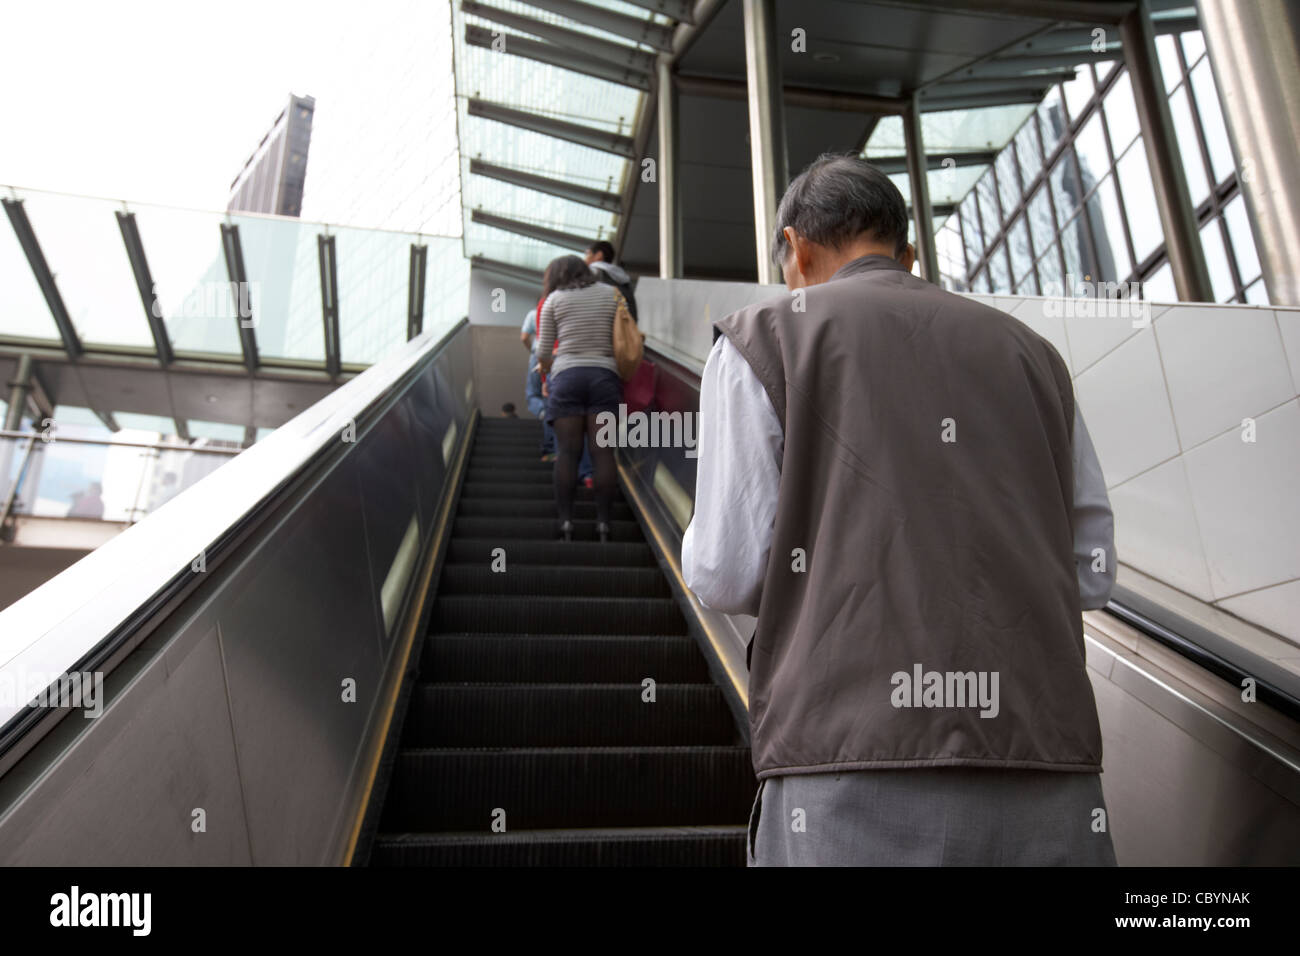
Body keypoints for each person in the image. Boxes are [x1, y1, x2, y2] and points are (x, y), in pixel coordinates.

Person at [681, 153, 1117, 867]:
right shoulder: (1033, 356)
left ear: (794, 248)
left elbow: (726, 572)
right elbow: (1091, 576)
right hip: (1049, 769)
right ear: (908, 254)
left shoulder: (763, 338)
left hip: (846, 766)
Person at [536, 255, 624, 542]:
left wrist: (548, 377)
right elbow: (623, 336)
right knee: (603, 454)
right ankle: (604, 524)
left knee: (568, 453)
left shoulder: (554, 300)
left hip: (567, 378)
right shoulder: (612, 294)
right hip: (604, 377)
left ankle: (566, 523)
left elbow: (544, 351)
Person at [584, 240, 637, 321]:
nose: (584, 258)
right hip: (621, 326)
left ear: (599, 255)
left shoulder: (592, 272)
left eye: (587, 253)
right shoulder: (624, 279)